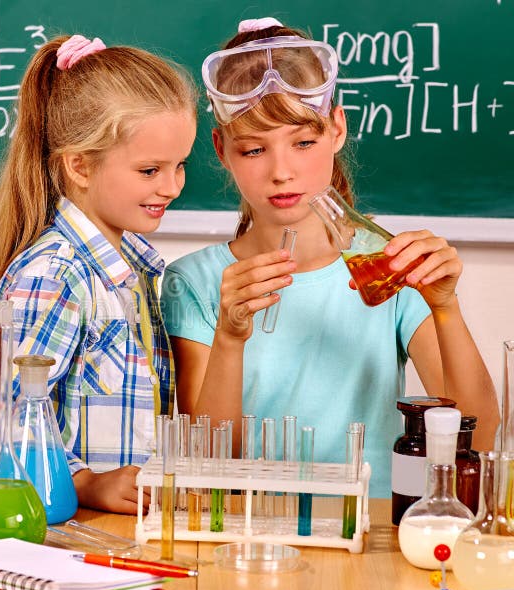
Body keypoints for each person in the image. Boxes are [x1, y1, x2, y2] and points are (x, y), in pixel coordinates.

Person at [160, 19, 498, 497]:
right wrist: (231, 336)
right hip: (250, 535)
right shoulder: (193, 281)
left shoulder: (391, 270)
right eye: (254, 149)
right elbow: (209, 468)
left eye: (303, 142)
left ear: (336, 129)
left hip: (372, 532)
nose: (282, 171)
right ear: (222, 150)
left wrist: (445, 307)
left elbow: (478, 439)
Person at [0, 35, 197, 514]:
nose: (172, 187)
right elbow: (0, 420)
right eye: (150, 170)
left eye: (180, 166)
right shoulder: (55, 276)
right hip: (59, 535)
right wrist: (88, 483)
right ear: (79, 166)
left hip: (125, 533)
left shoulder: (134, 272)